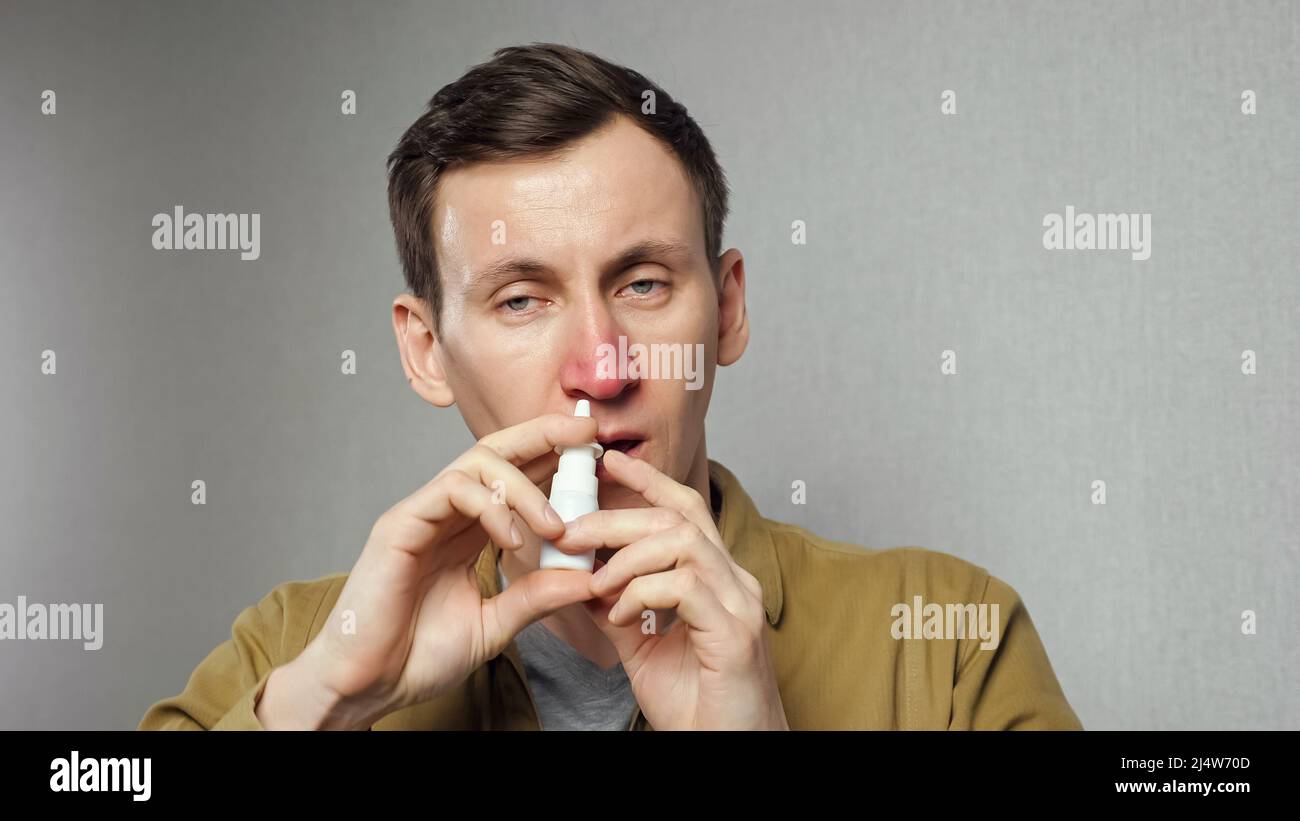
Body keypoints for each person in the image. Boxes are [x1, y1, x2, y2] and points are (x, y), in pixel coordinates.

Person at [139, 43, 1082, 731]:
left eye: (643, 284)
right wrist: (323, 699)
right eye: (520, 300)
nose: (602, 368)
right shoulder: (290, 647)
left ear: (728, 311)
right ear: (426, 350)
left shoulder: (953, 646)